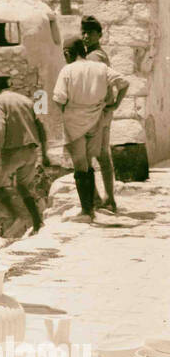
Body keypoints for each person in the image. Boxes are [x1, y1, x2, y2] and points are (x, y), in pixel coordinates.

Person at [52, 37, 111, 221]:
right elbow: (122, 82)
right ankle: (92, 206)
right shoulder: (98, 67)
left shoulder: (67, 70)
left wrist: (66, 111)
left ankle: (86, 211)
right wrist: (112, 104)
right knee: (89, 163)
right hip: (94, 120)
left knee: (80, 166)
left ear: (68, 53)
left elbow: (58, 98)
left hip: (74, 124)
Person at [0, 75, 49, 237]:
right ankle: (37, 222)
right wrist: (45, 153)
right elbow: (41, 127)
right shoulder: (26, 100)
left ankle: (18, 216)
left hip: (11, 152)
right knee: (23, 186)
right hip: (31, 151)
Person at [80, 15, 128, 212]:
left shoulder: (94, 57)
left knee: (86, 156)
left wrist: (115, 103)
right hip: (103, 112)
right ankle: (108, 199)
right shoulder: (98, 54)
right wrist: (114, 104)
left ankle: (99, 199)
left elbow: (119, 83)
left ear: (99, 35)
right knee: (102, 156)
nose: (85, 36)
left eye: (90, 33)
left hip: (96, 113)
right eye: (83, 32)